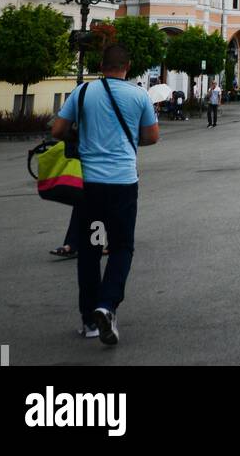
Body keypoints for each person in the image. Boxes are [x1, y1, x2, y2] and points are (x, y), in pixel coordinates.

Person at [51, 43, 158, 346]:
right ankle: (107, 305)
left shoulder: (83, 92)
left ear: (101, 65)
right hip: (123, 184)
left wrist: (82, 134)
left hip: (88, 186)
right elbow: (152, 137)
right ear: (128, 66)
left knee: (89, 250)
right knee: (122, 247)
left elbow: (58, 130)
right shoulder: (139, 95)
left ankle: (89, 322)